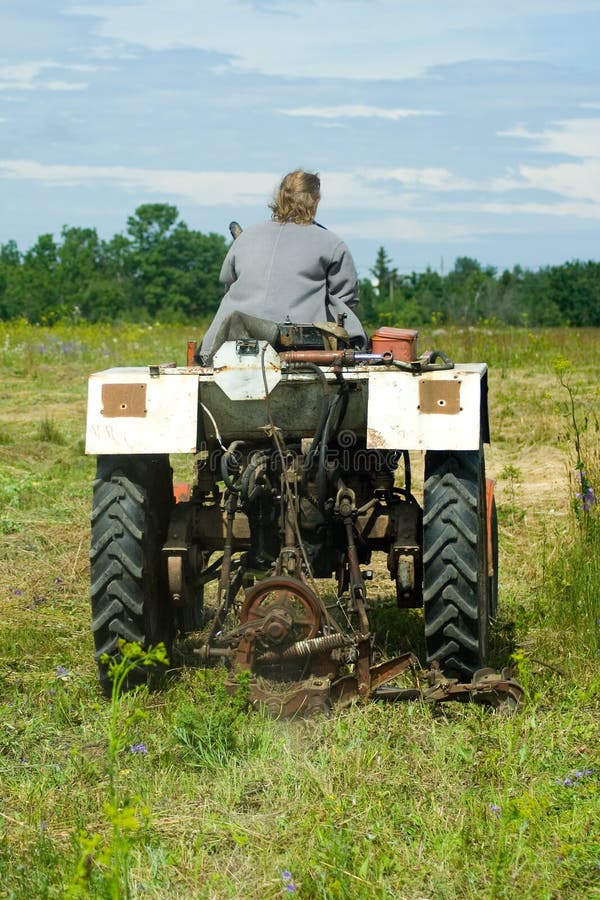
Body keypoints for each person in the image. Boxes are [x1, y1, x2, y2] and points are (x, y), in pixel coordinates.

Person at [199, 170, 367, 360]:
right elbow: (346, 304)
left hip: (229, 346)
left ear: (279, 197)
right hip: (303, 348)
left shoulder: (246, 238)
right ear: (316, 201)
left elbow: (229, 285)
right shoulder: (332, 243)